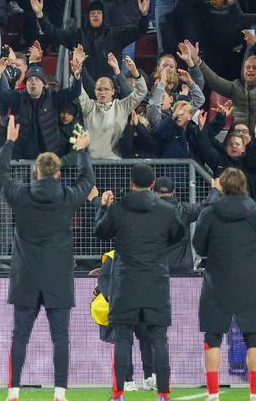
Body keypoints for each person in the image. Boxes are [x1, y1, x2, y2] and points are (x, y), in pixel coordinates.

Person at [0, 116, 96, 401]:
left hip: (25, 277)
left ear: (36, 172)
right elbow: (87, 180)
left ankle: (13, 392)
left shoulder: (21, 194)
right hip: (58, 279)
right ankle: (59, 393)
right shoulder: (67, 197)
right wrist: (82, 150)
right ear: (58, 174)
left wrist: (9, 142)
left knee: (20, 336)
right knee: (60, 338)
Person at [95, 164, 186, 401]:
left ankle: (118, 394)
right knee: (159, 339)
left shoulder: (118, 209)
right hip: (155, 282)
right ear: (153, 184)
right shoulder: (166, 210)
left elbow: (100, 232)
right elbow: (179, 234)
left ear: (131, 183)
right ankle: (163, 394)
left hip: (125, 283)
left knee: (123, 339)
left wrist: (103, 207)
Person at [193, 168, 256, 401]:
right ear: (243, 185)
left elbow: (199, 247)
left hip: (217, 282)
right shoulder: (255, 212)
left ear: (221, 186)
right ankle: (255, 394)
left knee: (212, 338)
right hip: (251, 282)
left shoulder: (210, 213)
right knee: (254, 338)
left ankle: (213, 394)